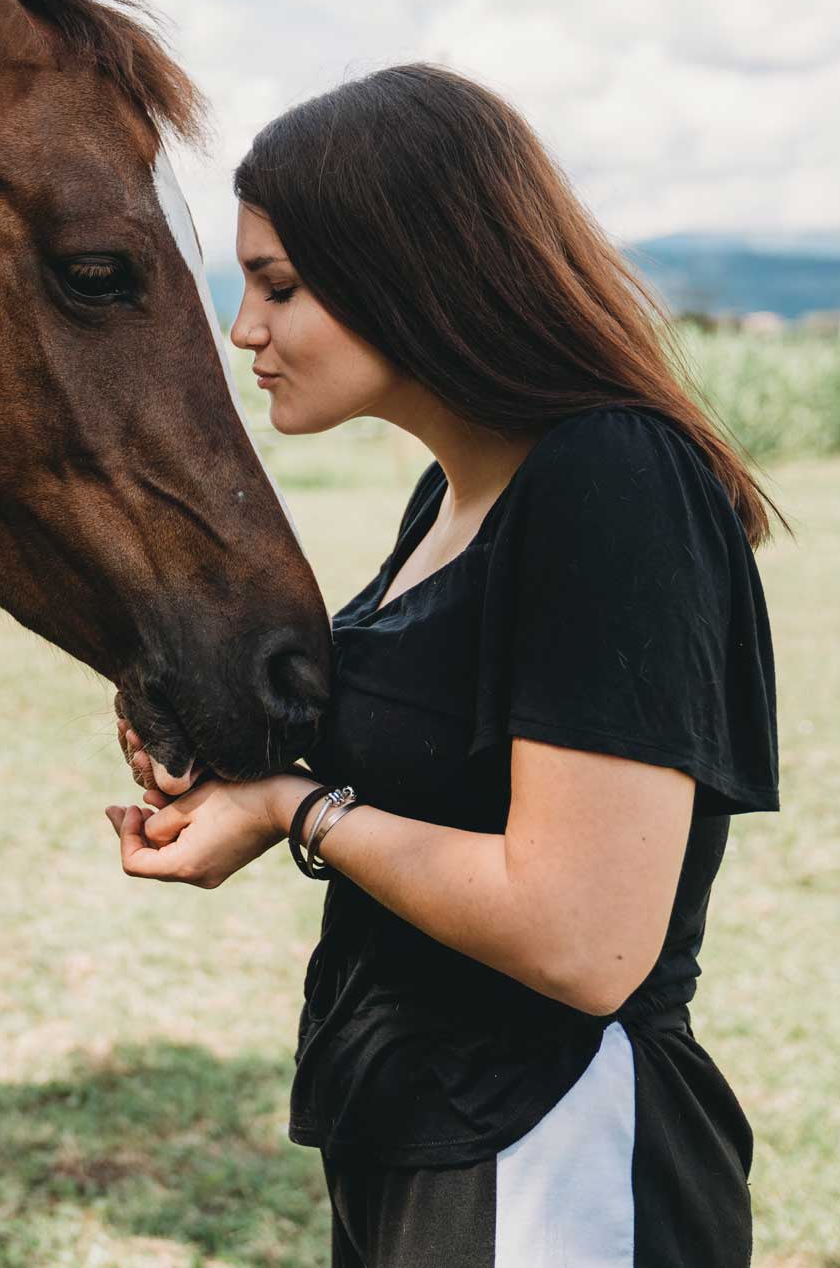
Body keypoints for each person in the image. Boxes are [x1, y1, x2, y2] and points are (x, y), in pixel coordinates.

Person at [103, 63, 782, 1267]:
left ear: (410, 268)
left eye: (279, 285)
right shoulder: (454, 494)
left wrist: (293, 808)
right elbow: (435, 762)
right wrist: (231, 759)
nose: (243, 327)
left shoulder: (609, 477)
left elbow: (582, 938)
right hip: (416, 1128)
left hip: (550, 1140)